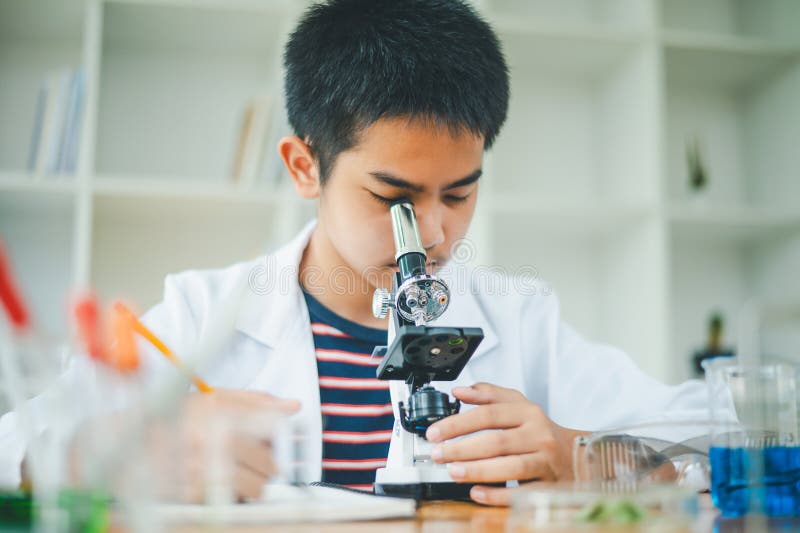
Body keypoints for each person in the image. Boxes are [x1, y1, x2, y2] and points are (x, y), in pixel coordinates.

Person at [0, 0, 706, 505]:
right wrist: (107, 451)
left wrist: (574, 450)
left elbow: (712, 437)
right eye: (393, 197)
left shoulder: (519, 317)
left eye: (459, 194)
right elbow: (16, 448)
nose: (431, 235)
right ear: (305, 165)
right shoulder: (200, 312)